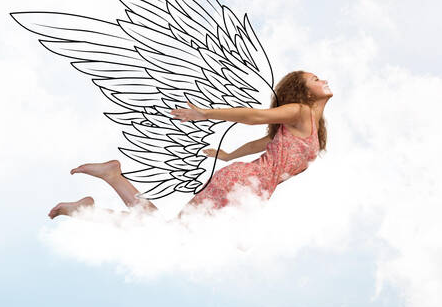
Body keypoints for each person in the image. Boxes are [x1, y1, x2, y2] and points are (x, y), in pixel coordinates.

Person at [47, 71, 331, 219]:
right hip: (243, 184)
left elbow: (267, 141)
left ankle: (107, 184)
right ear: (302, 92)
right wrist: (206, 113)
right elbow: (257, 117)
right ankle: (93, 201)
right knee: (172, 238)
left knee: (170, 237)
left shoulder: (310, 130)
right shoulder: (300, 111)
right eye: (315, 79)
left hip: (249, 188)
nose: (324, 80)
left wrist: (230, 154)